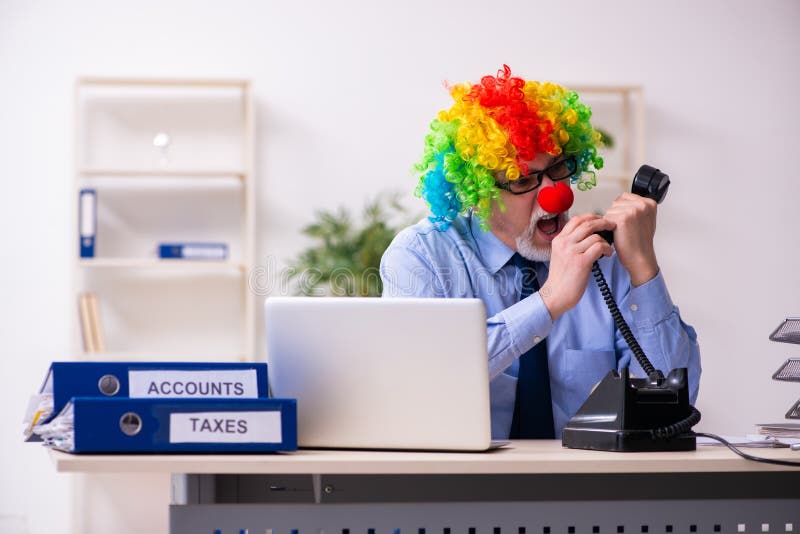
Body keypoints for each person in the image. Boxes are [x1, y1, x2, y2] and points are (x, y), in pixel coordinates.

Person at [380, 65, 701, 439]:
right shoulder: (423, 257)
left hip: (587, 484)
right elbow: (421, 380)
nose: (554, 194)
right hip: (462, 486)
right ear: (478, 194)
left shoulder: (603, 257)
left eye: (558, 168)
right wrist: (548, 302)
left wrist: (644, 269)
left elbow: (675, 407)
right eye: (522, 179)